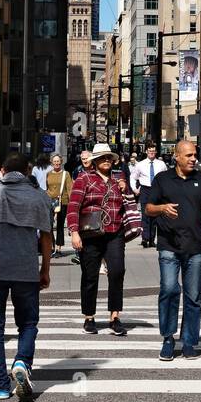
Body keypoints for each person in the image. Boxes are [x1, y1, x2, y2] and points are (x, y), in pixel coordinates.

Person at [0, 151, 53, 401]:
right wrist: (45, 270)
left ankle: (1, 386)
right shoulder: (39, 196)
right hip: (26, 271)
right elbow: (47, 238)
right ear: (28, 171)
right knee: (28, 323)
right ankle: (22, 362)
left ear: (2, 170)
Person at [146, 140, 201, 361]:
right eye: (188, 155)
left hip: (195, 247)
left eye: (194, 155)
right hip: (168, 245)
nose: (193, 158)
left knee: (193, 296)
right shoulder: (162, 179)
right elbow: (149, 208)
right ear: (176, 156)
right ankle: (168, 337)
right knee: (169, 289)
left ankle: (188, 341)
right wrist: (161, 208)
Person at [68, 143, 129, 336]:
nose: (106, 161)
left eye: (108, 158)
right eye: (102, 158)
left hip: (115, 231)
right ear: (95, 161)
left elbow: (128, 204)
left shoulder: (117, 180)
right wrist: (74, 232)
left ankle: (114, 317)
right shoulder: (84, 179)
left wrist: (124, 190)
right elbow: (73, 206)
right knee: (90, 275)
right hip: (91, 233)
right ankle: (89, 316)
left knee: (117, 271)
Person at [130, 142, 165, 248]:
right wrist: (134, 189)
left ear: (156, 152)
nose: (151, 153)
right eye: (150, 151)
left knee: (155, 215)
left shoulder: (161, 164)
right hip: (145, 189)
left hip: (157, 190)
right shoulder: (140, 165)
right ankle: (145, 238)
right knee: (145, 215)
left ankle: (152, 239)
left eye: (153, 151)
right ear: (146, 152)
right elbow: (133, 177)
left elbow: (165, 178)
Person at [46, 154, 71, 254]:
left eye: (58, 161)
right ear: (52, 162)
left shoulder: (66, 174)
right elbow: (47, 187)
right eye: (54, 161)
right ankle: (51, 245)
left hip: (62, 202)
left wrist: (72, 203)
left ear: (61, 162)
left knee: (60, 225)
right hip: (50, 201)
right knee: (49, 225)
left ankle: (58, 247)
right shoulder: (48, 174)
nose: (56, 163)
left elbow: (69, 189)